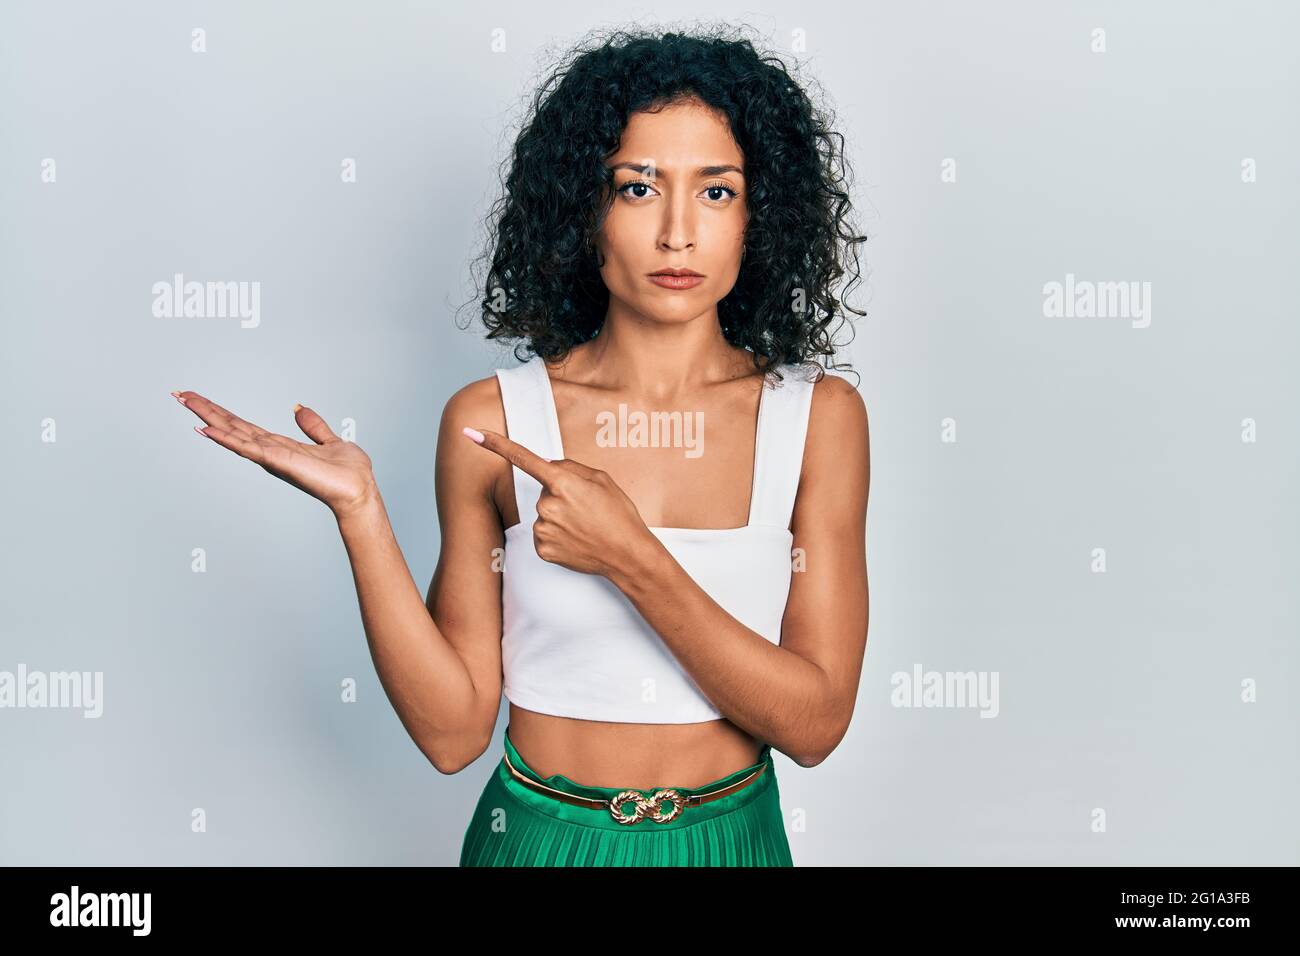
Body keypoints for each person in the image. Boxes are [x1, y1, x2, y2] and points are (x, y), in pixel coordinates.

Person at [173, 25, 870, 867]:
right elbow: (452, 734)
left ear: (761, 216)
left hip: (734, 840)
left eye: (716, 191)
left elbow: (816, 725)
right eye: (638, 188)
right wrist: (361, 515)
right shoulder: (493, 423)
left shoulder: (820, 418)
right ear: (583, 210)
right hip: (538, 841)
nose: (678, 233)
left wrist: (631, 557)